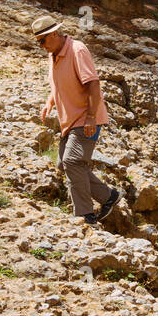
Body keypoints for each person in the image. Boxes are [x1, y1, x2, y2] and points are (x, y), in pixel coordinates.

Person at [35, 15, 120, 226]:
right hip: (70, 120)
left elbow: (92, 84)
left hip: (86, 118)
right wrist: (49, 102)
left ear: (54, 34)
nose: (41, 45)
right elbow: (58, 84)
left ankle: (85, 215)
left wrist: (91, 117)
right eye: (38, 42)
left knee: (72, 161)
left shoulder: (77, 50)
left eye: (42, 40)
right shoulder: (54, 54)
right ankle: (108, 197)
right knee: (64, 164)